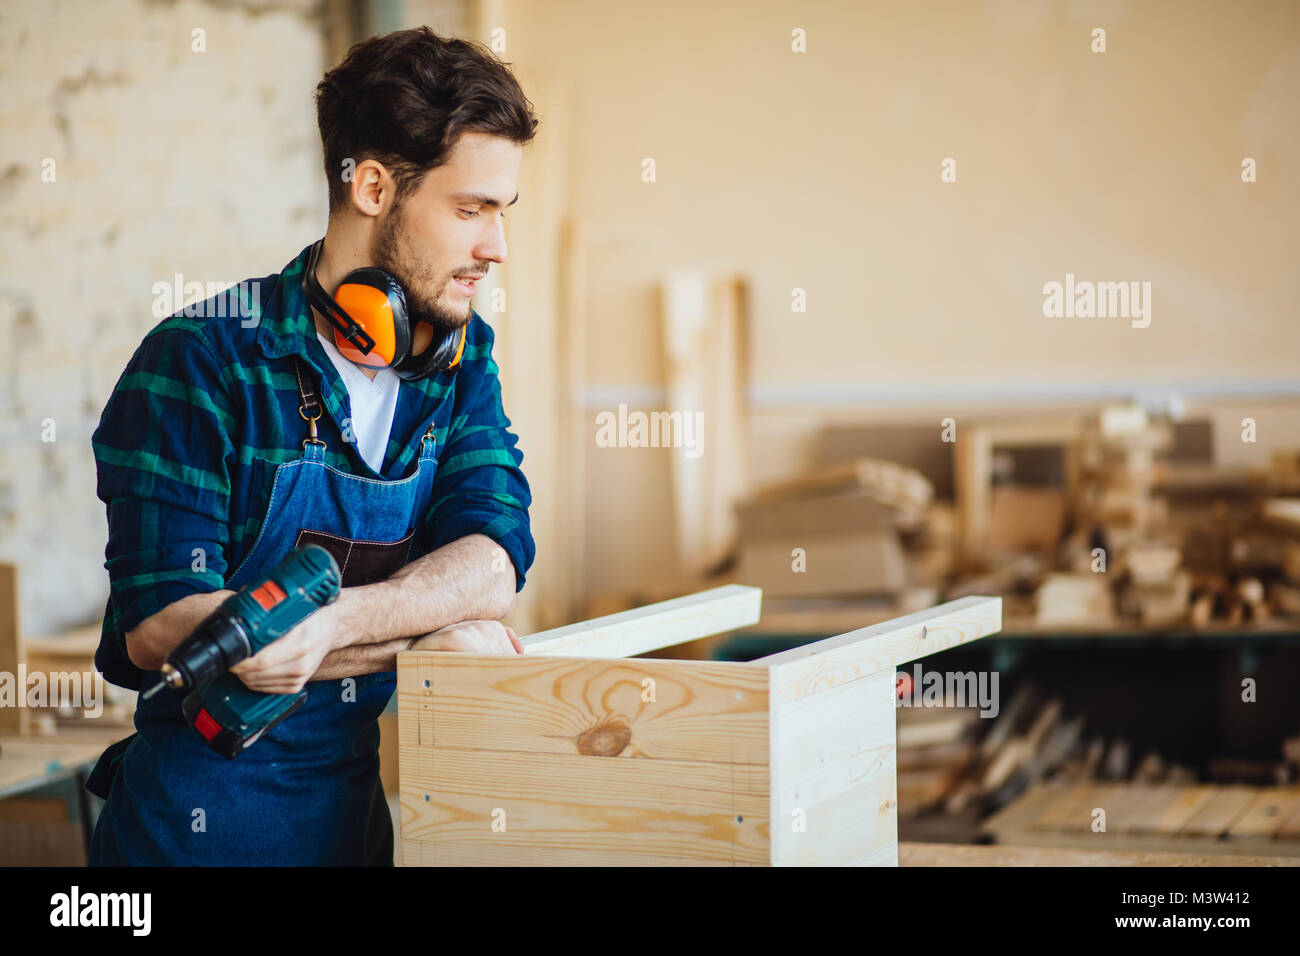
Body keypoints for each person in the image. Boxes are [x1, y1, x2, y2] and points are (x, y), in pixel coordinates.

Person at [86, 27, 539, 865]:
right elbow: (158, 624)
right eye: (470, 209)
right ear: (372, 185)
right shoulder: (202, 361)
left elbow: (492, 560)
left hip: (353, 832)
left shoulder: (460, 357)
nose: (495, 247)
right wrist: (424, 626)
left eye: (502, 213)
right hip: (195, 833)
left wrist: (326, 625)